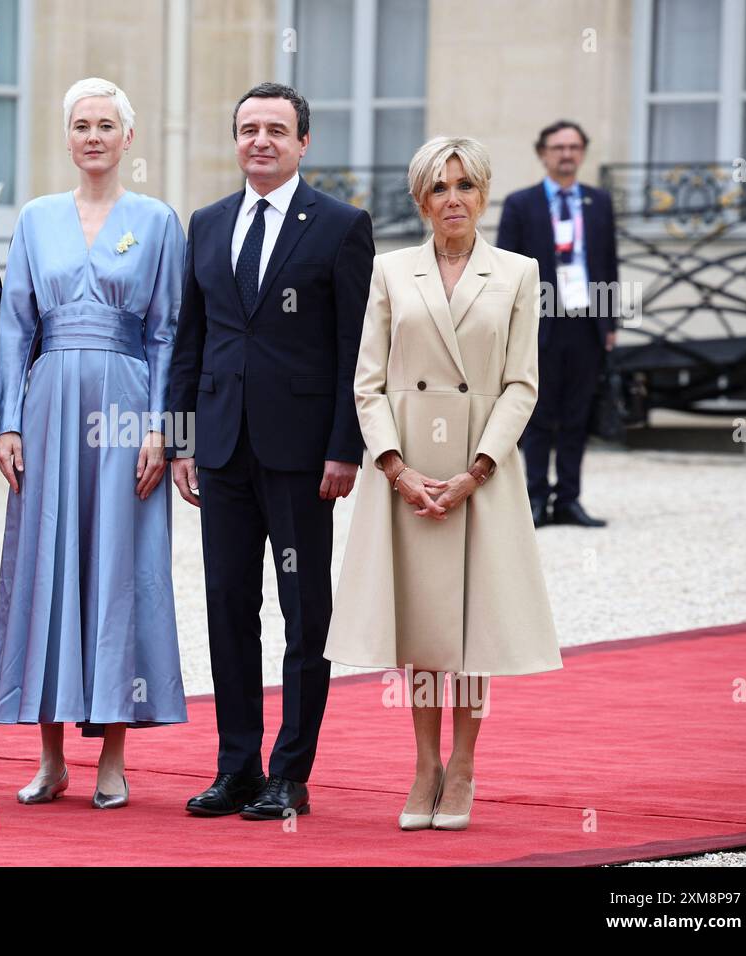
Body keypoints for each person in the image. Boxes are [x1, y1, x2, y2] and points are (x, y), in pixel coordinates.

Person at [325, 136, 563, 832]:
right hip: (409, 472)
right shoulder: (391, 272)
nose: (452, 198)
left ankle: (463, 763)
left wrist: (478, 469)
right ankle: (424, 763)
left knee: (475, 624)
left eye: (464, 185)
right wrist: (394, 466)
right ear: (420, 199)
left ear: (484, 193)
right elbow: (367, 382)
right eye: (438, 187)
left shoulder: (518, 273)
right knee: (425, 627)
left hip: (480, 468)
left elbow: (522, 383)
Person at [167, 82, 374, 820]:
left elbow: (356, 346)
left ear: (303, 143)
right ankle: (237, 766)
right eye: (249, 128)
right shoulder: (209, 223)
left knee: (302, 611)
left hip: (299, 455)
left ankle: (291, 771)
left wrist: (344, 448)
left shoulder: (341, 227)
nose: (261, 140)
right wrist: (181, 438)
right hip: (221, 450)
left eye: (276, 130)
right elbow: (191, 340)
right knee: (228, 606)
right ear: (236, 140)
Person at [0, 78, 187, 810]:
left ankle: (112, 755)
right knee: (47, 562)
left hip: (128, 404)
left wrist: (165, 429)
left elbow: (169, 330)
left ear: (128, 138)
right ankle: (48, 756)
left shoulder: (158, 220)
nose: (94, 136)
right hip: (47, 405)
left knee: (118, 566)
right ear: (66, 137)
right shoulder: (36, 219)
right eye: (81, 125)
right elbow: (14, 327)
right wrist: (7, 422)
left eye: (106, 124)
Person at [496, 119, 619, 528]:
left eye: (573, 147)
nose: (566, 154)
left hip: (585, 322)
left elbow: (608, 263)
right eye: (558, 147)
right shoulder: (521, 204)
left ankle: (569, 498)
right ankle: (534, 498)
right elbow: (505, 269)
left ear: (582, 153)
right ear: (543, 153)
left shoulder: (598, 202)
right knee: (537, 414)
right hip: (539, 323)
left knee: (577, 415)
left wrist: (611, 321)